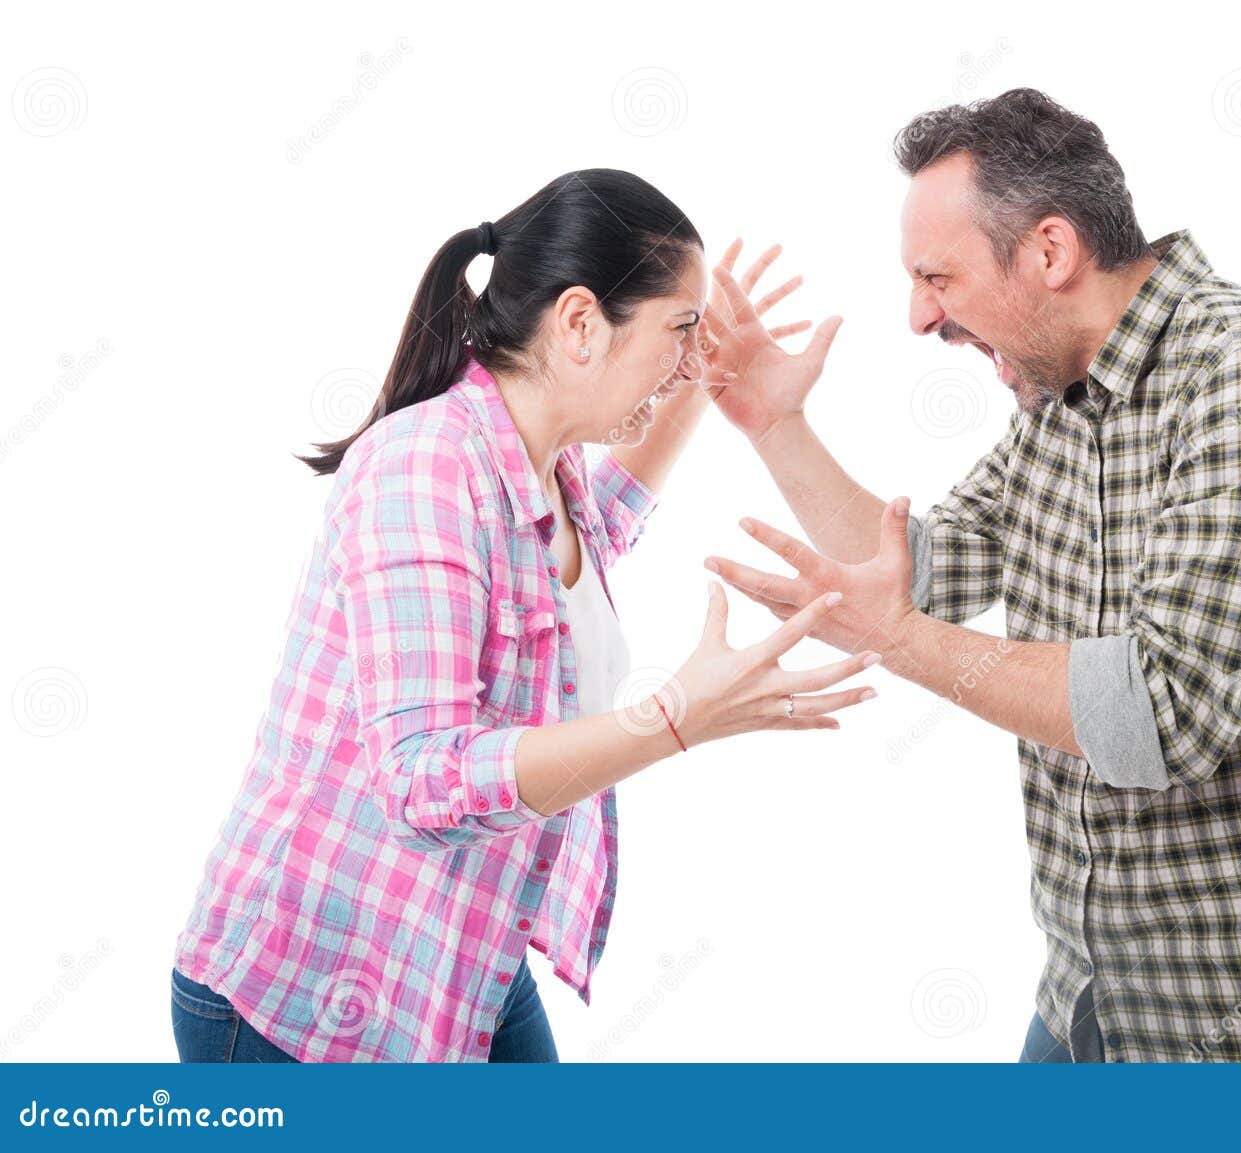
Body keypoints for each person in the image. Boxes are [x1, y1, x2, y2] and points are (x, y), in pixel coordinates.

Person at [701, 90, 1241, 1063]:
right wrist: (776, 425)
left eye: (936, 277)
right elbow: (914, 573)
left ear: (1049, 251)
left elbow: (1155, 714)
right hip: (1109, 1000)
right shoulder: (1061, 403)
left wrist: (898, 640)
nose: (918, 316)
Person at [169, 169, 878, 1062]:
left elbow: (575, 565)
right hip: (306, 993)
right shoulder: (423, 466)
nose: (692, 357)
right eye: (681, 331)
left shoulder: (544, 463)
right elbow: (424, 778)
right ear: (580, 322)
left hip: (461, 957)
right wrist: (673, 721)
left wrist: (712, 385)